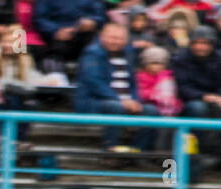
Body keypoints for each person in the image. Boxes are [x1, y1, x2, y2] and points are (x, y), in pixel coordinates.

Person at [75, 21, 159, 151]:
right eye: (113, 38)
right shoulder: (92, 54)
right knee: (115, 107)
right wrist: (122, 101)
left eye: (120, 39)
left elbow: (133, 83)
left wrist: (135, 101)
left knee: (151, 111)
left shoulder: (128, 54)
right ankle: (110, 149)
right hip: (94, 102)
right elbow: (95, 83)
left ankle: (137, 151)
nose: (116, 42)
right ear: (103, 36)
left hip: (123, 101)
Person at [174, 25, 221, 152]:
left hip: (215, 99)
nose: (200, 46)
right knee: (198, 108)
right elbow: (183, 88)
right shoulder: (181, 59)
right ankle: (199, 152)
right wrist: (204, 96)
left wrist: (217, 97)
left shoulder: (219, 59)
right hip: (189, 101)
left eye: (204, 43)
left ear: (212, 44)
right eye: (196, 43)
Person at [33, 0, 104, 69]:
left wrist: (93, 22)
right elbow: (40, 19)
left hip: (85, 34)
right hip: (57, 36)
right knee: (55, 49)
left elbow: (100, 17)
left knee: (96, 47)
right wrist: (55, 31)